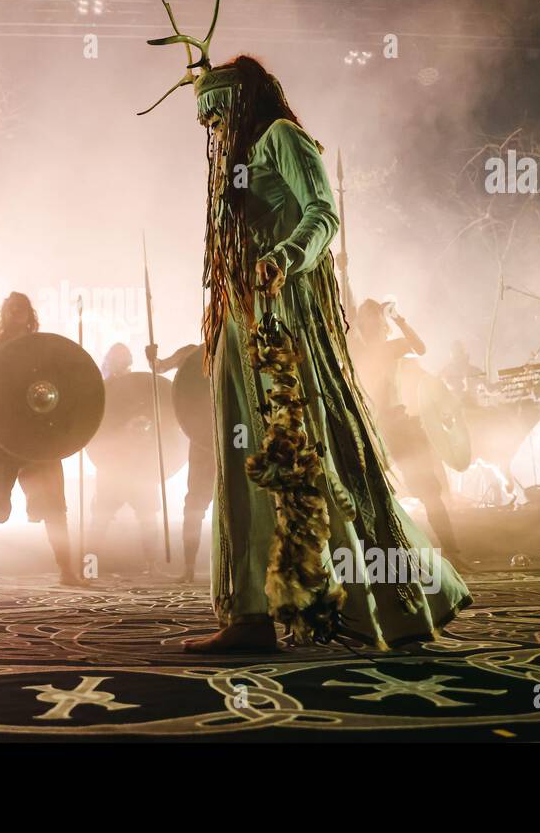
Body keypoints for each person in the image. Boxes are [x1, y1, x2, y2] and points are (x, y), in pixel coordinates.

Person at [169, 54, 470, 652]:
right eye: (208, 123)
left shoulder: (283, 138)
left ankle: (391, 598)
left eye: (219, 115)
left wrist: (283, 259)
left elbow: (323, 215)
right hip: (240, 318)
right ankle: (250, 614)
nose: (215, 131)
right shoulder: (234, 164)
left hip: (283, 317)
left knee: (308, 454)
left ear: (242, 103)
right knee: (244, 462)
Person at [0, 292, 80, 588]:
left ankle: (68, 571)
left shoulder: (44, 350)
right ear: (4, 314)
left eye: (21, 307)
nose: (15, 311)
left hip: (39, 436)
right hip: (0, 436)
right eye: (10, 307)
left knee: (54, 507)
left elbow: (67, 386)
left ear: (29, 314)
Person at [351, 298, 464, 561]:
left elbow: (420, 348)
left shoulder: (389, 349)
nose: (375, 323)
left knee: (429, 490)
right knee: (376, 492)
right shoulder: (356, 351)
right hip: (370, 425)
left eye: (378, 318)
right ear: (362, 323)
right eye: (369, 318)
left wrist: (399, 319)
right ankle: (383, 555)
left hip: (399, 423)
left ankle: (453, 551)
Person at [87, 343, 163, 574]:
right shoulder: (102, 390)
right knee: (101, 517)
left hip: (140, 463)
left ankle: (153, 565)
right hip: (112, 463)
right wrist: (123, 429)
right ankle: (89, 567)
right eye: (118, 357)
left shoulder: (140, 386)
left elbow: (155, 414)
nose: (123, 361)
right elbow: (97, 426)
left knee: (148, 516)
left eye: (126, 357)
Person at [146, 341, 215, 583]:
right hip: (202, 440)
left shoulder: (240, 348)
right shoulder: (191, 352)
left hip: (236, 438)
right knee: (195, 503)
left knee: (236, 505)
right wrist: (151, 357)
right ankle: (189, 568)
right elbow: (160, 367)